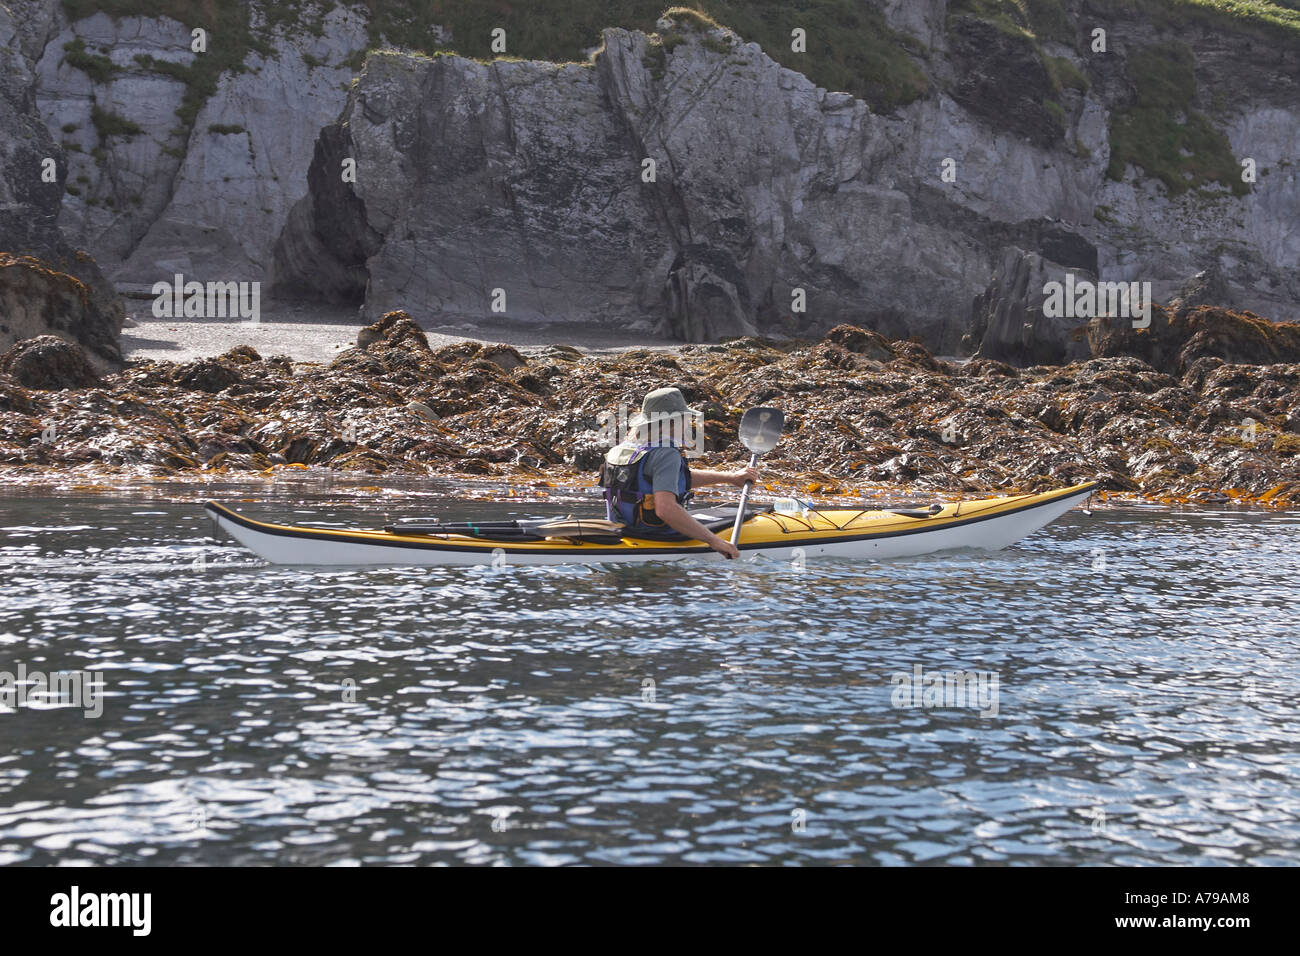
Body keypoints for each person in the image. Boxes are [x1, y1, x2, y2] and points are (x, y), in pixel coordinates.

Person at [599, 387, 758, 559]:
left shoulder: (621, 449)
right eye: (686, 418)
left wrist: (730, 478)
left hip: (622, 528)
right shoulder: (667, 453)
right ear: (674, 421)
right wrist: (715, 541)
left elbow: (670, 478)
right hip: (656, 534)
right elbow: (665, 509)